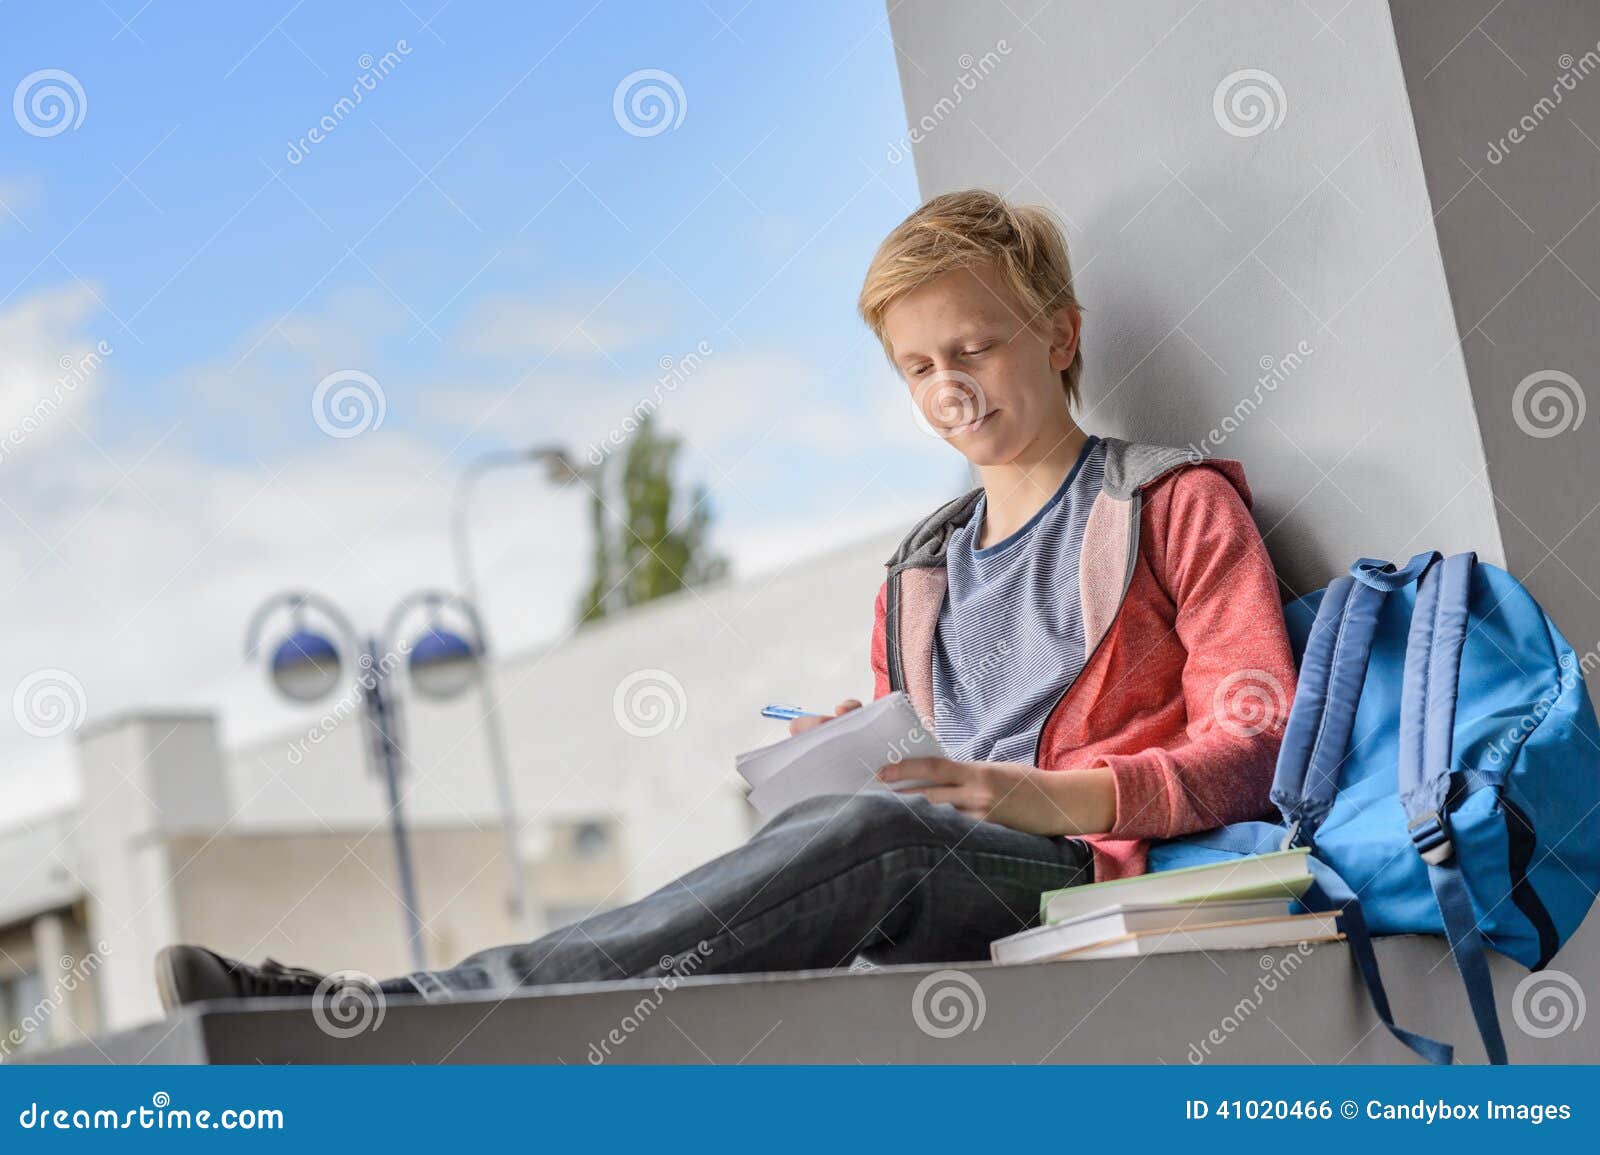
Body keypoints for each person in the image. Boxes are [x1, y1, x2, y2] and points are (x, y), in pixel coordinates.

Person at [155, 189, 1296, 1010]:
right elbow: (925, 770)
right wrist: (858, 748)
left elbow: (1258, 744)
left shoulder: (1171, 505)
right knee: (839, 825)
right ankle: (405, 1003)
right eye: (917, 367)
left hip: (1076, 866)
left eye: (976, 348)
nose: (949, 387)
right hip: (940, 863)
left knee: (867, 838)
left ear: (1059, 337)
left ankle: (402, 1006)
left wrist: (1037, 795)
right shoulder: (920, 572)